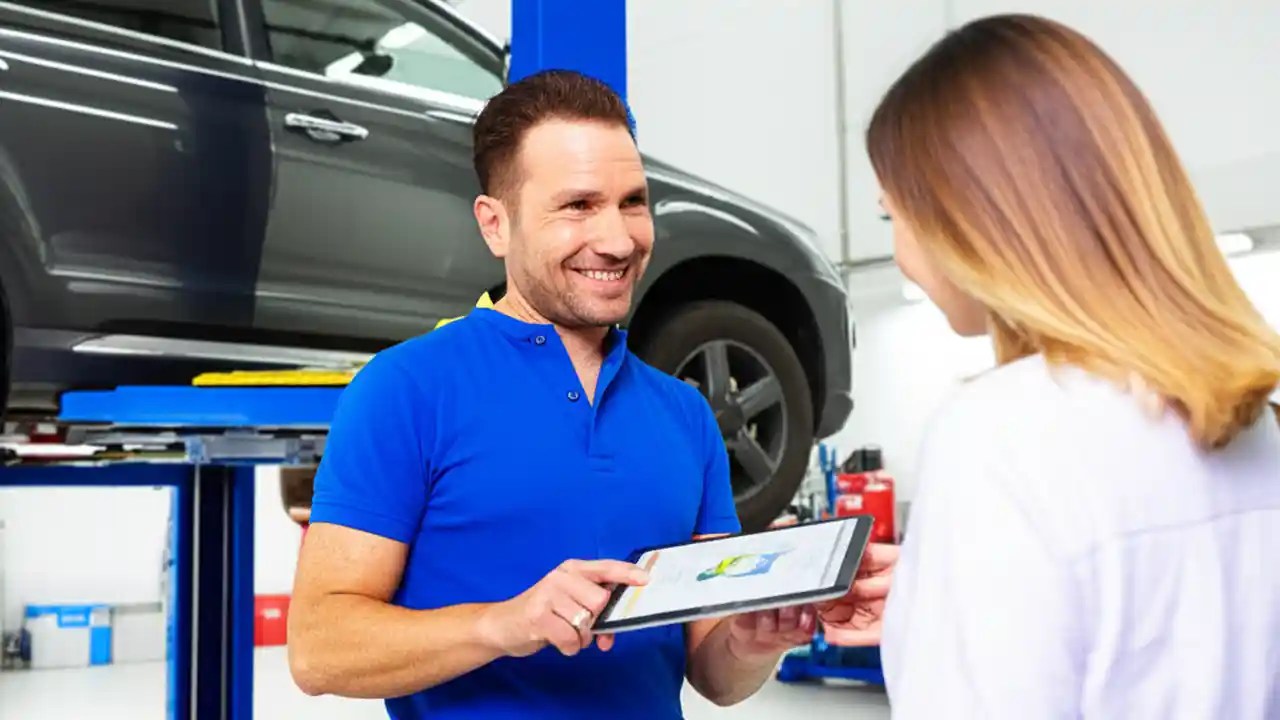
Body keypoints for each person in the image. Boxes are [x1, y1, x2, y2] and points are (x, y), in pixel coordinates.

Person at [285, 69, 829, 719]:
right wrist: (502, 625)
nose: (619, 239)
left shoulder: (685, 414)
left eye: (633, 201)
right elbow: (319, 650)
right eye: (579, 206)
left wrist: (750, 641)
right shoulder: (407, 389)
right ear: (495, 225)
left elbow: (716, 676)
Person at [820, 13, 1280, 719]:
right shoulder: (1260, 426)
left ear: (967, 221)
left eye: (894, 218)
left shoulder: (1000, 435)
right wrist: (952, 592)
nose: (904, 253)